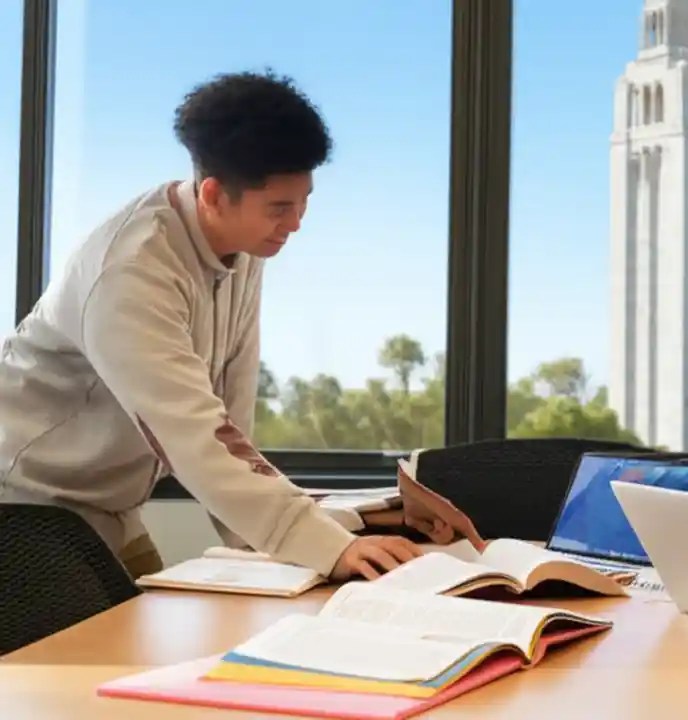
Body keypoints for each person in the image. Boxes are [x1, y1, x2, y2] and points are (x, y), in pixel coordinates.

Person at [0, 70, 474, 581]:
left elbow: (232, 422)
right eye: (280, 207)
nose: (296, 222)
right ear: (213, 195)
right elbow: (192, 437)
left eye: (304, 201)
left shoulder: (244, 248)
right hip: (25, 511)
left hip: (109, 510)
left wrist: (354, 523)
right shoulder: (131, 272)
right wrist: (325, 547)